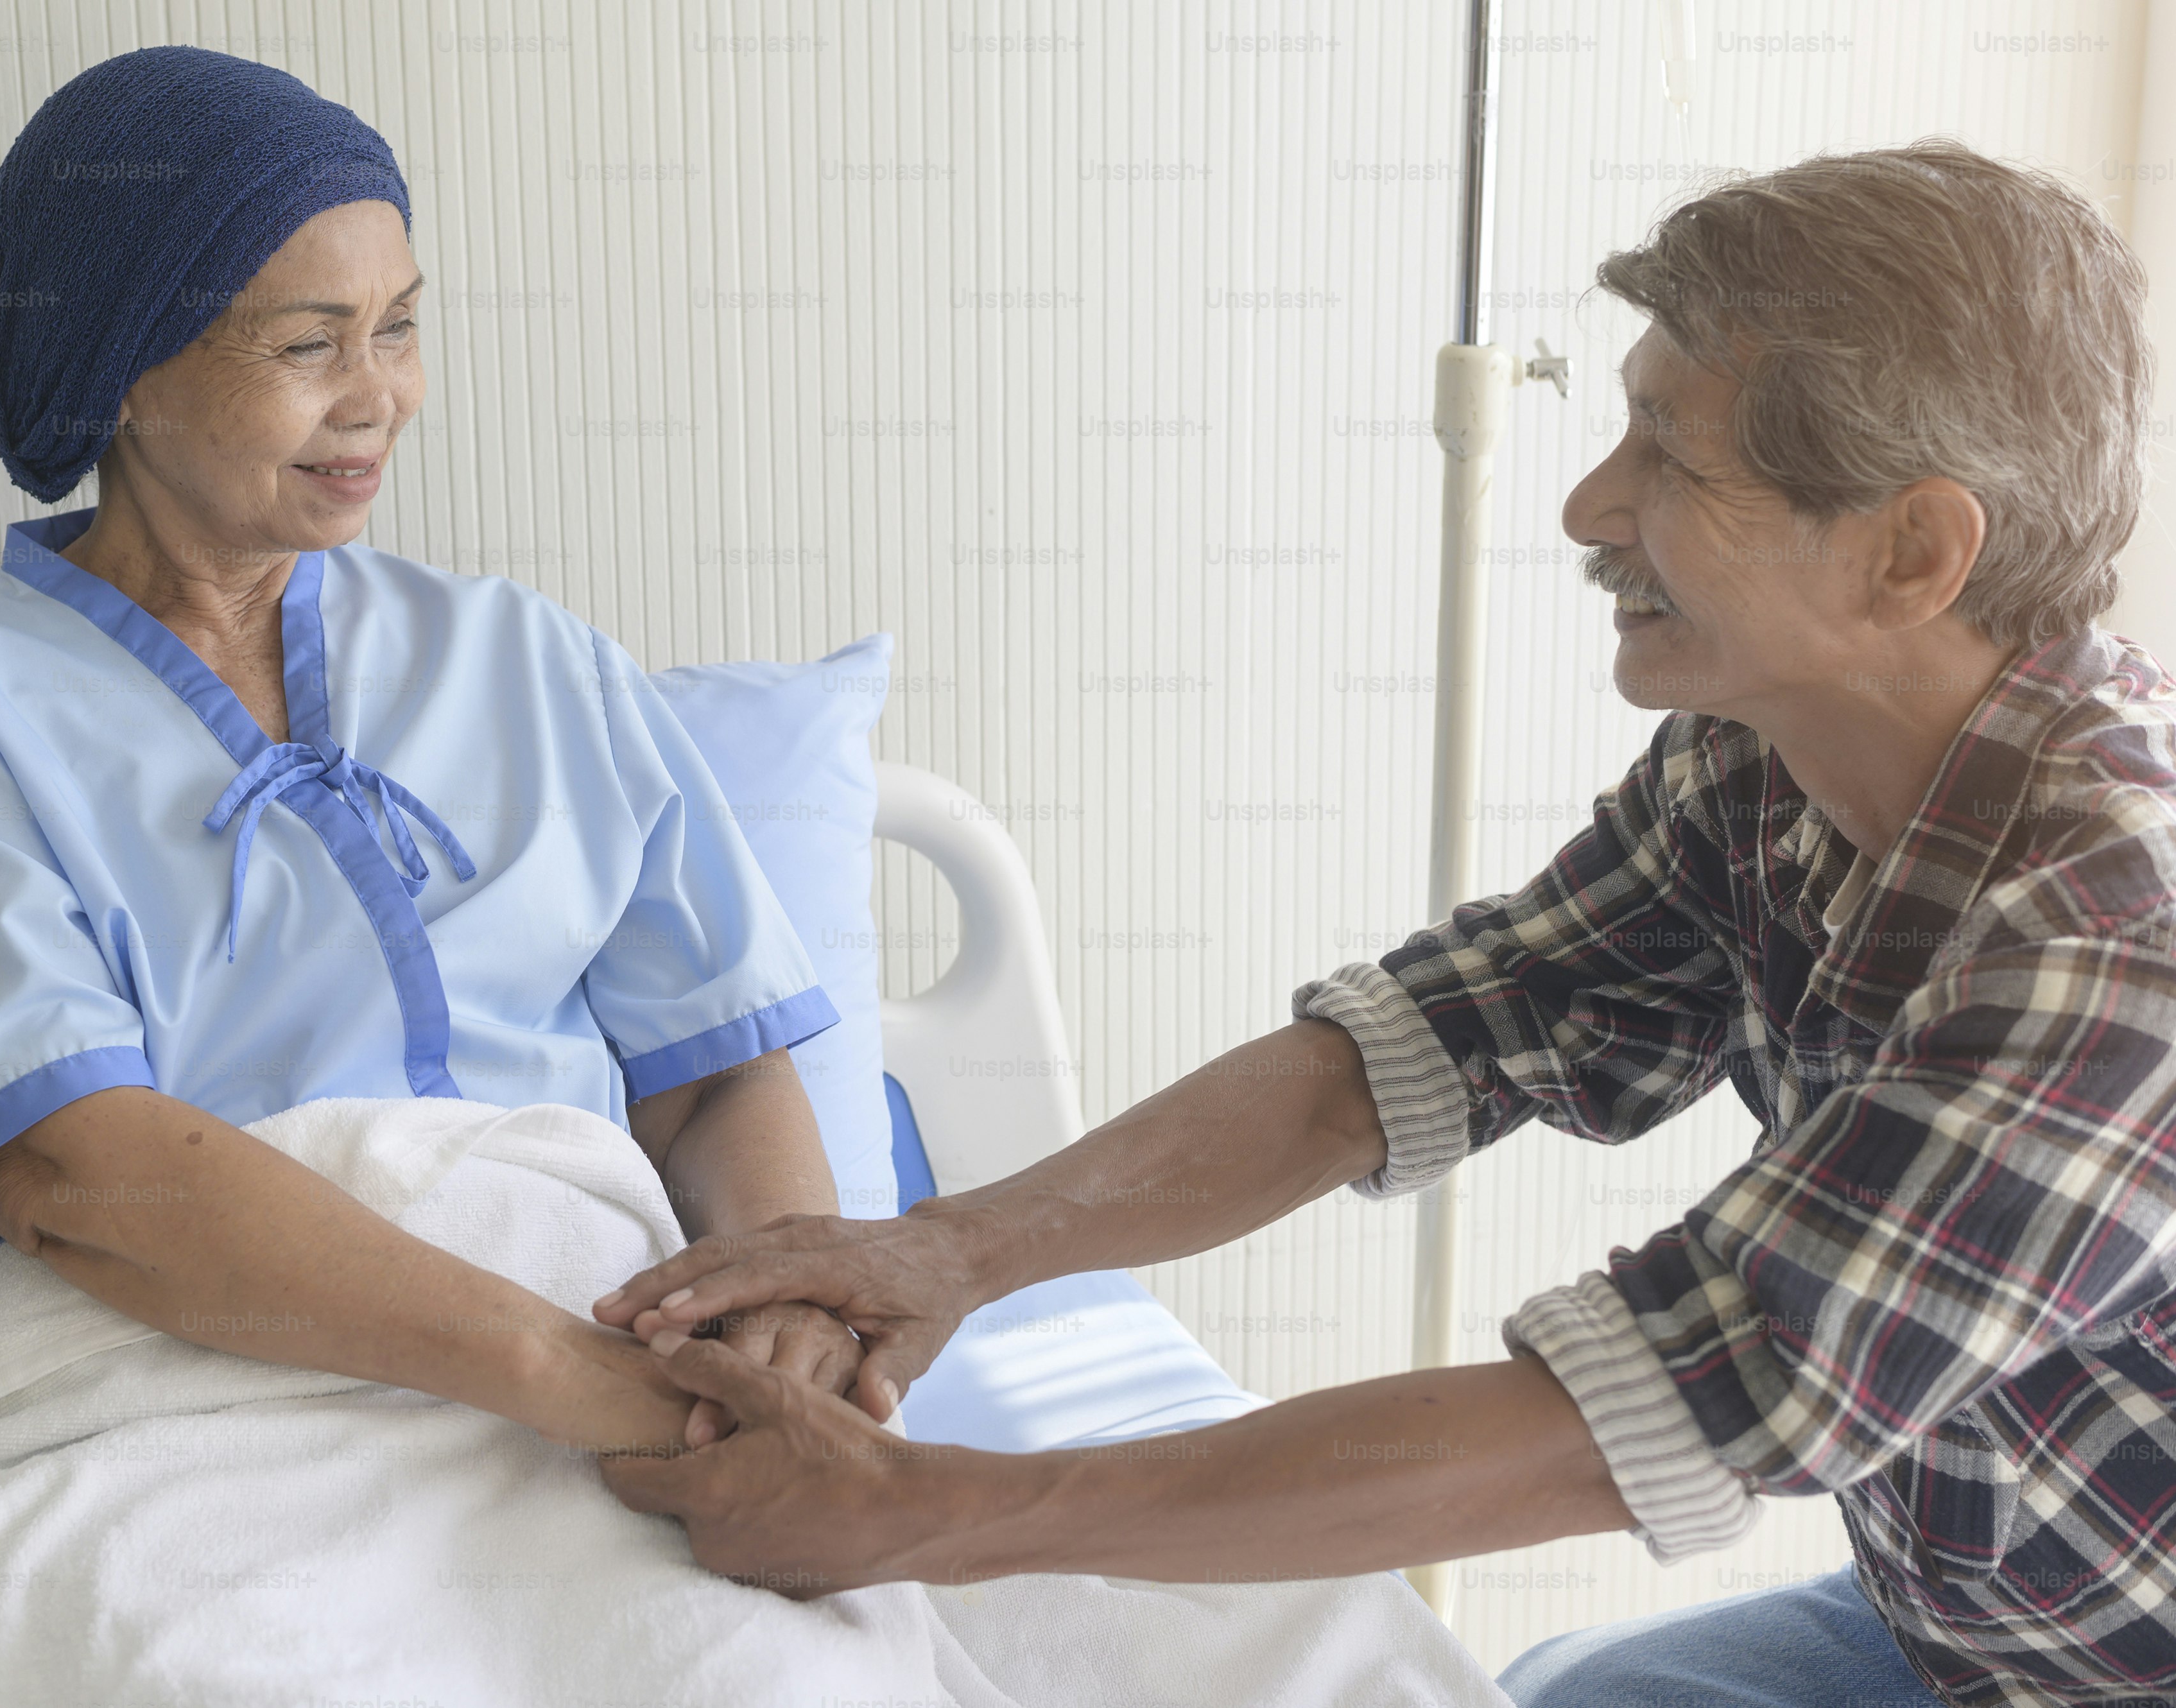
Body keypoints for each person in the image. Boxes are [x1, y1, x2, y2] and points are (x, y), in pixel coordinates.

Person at [596, 142, 2176, 1708]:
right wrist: (950, 1244)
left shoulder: (2119, 948)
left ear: (1910, 551)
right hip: (1963, 1618)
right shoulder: (1762, 755)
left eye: (1667, 456)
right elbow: (1426, 1041)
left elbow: (1644, 1414)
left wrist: (929, 1511)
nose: (1585, 502)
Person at [0, 44, 859, 1459]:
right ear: (125, 373)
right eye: (309, 344)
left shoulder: (527, 657)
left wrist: (790, 1294)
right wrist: (562, 1374)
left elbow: (715, 1068)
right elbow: (72, 1171)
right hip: (176, 1391)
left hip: (613, 1331)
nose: (380, 396)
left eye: (400, 326)